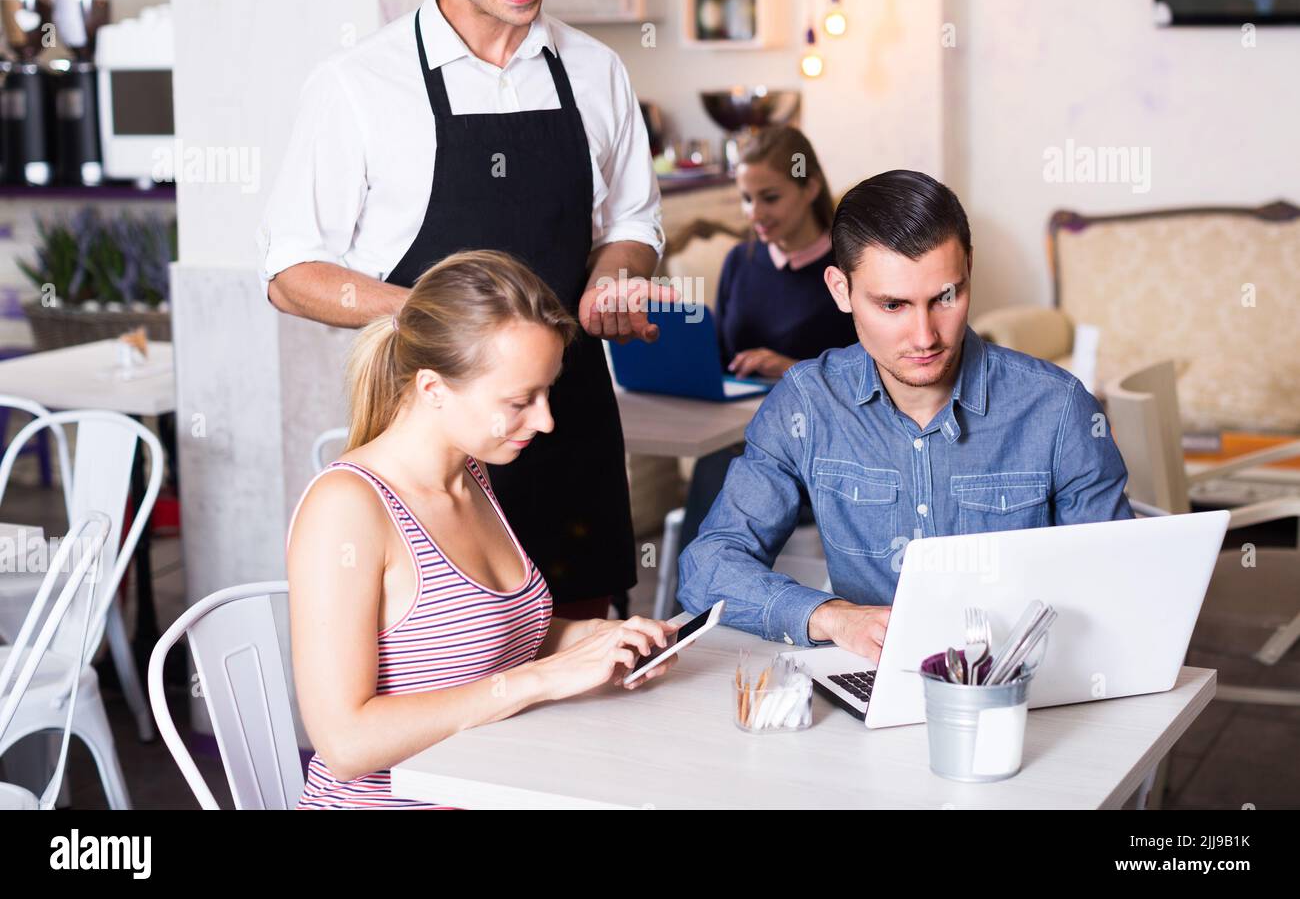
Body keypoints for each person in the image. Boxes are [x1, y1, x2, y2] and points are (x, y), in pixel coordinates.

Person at [259, 0, 672, 620]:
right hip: (428, 443)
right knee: (445, 664)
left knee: (586, 653)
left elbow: (634, 222)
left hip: (567, 418)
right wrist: (436, 317)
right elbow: (290, 273)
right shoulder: (358, 86)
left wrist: (614, 281)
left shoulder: (595, 70)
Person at [677, 170, 1133, 660]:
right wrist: (831, 617)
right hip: (869, 685)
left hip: (1021, 689)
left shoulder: (1059, 408)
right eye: (892, 304)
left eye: (944, 298)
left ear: (968, 271)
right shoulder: (806, 405)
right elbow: (707, 566)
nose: (924, 337)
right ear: (839, 290)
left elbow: (1119, 584)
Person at [287, 250, 677, 809]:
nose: (544, 421)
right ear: (432, 389)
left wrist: (600, 641)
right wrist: (542, 680)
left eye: (547, 393)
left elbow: (481, 643)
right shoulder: (346, 508)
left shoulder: (473, 474)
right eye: (520, 401)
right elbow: (345, 742)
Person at [673, 127, 856, 609]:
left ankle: (695, 613)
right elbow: (717, 357)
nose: (755, 214)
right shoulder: (741, 261)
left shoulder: (849, 269)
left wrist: (791, 370)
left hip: (824, 443)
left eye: (769, 197)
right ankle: (700, 611)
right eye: (747, 199)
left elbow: (872, 374)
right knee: (726, 463)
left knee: (723, 469)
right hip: (740, 427)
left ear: (810, 186)